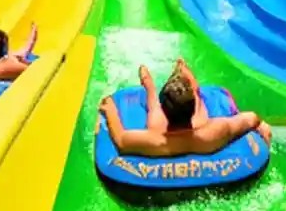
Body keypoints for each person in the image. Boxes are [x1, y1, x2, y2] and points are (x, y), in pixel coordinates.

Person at [98, 58, 272, 157]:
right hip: (199, 133)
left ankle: (148, 83)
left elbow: (120, 140)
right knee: (197, 98)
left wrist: (110, 109)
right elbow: (251, 118)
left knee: (152, 102)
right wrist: (260, 124)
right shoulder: (215, 130)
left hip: (167, 133)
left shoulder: (153, 137)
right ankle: (183, 71)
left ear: (165, 113)